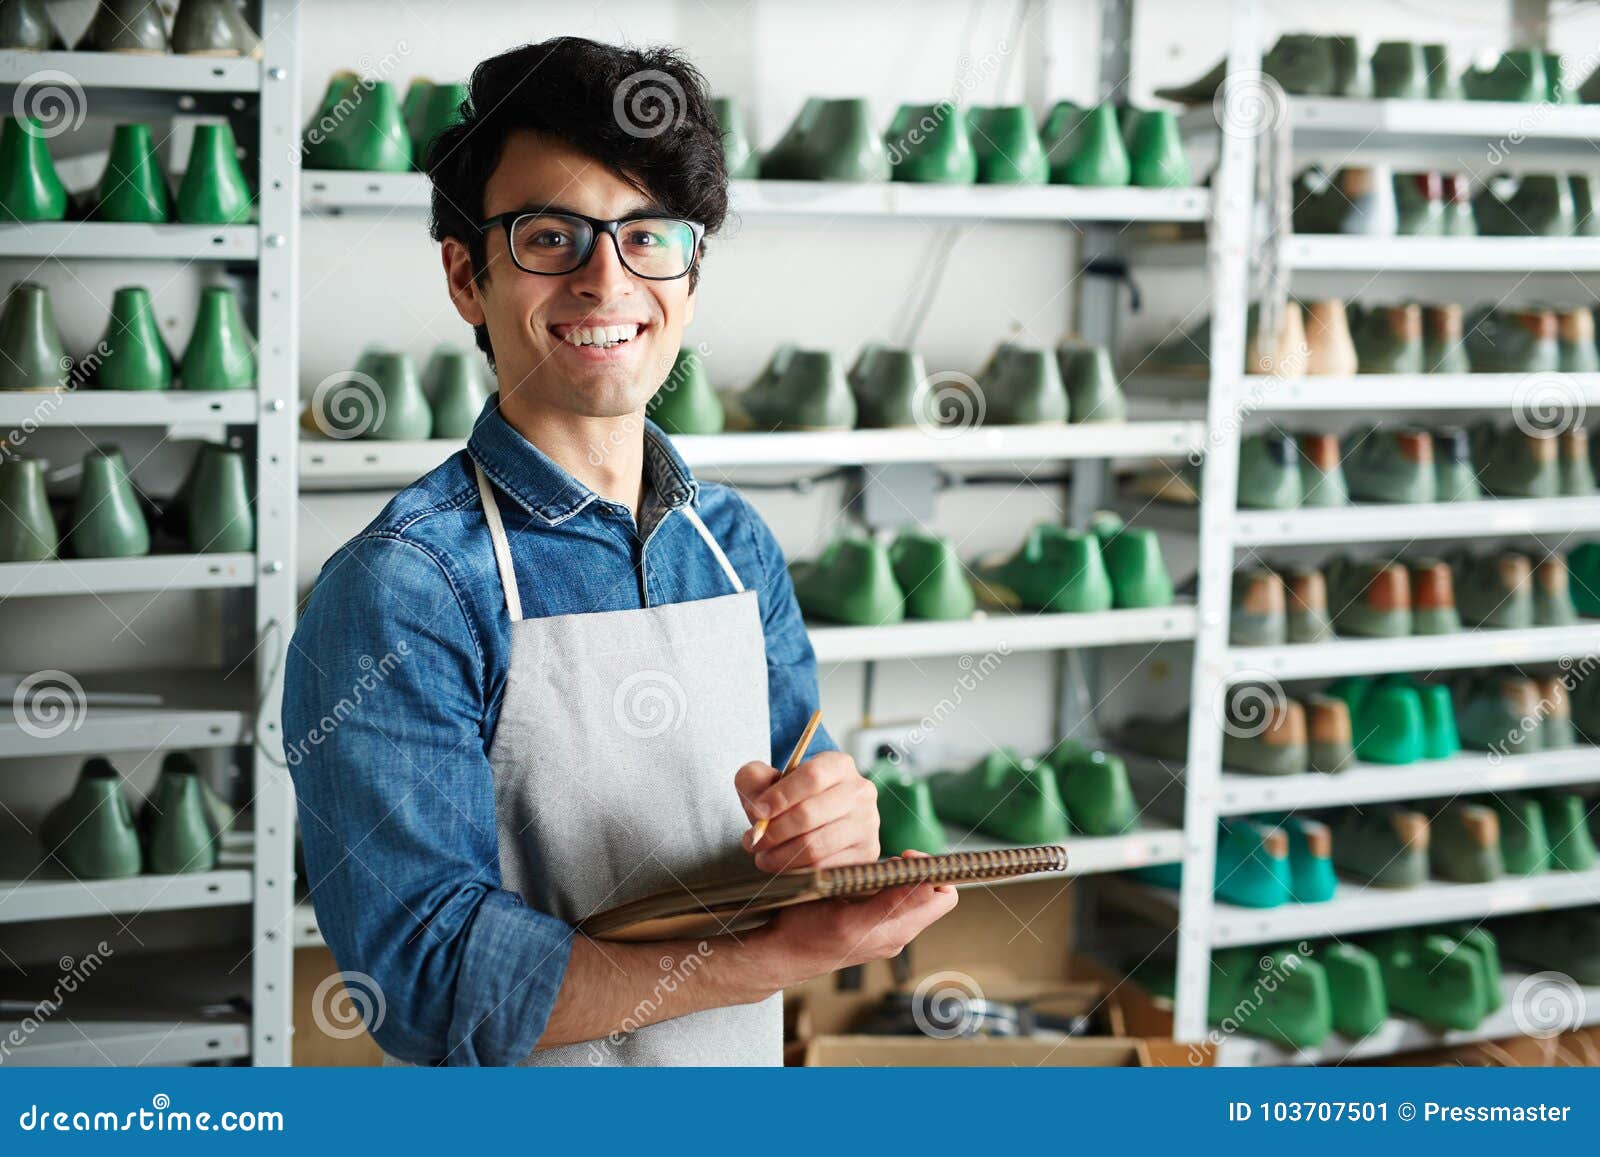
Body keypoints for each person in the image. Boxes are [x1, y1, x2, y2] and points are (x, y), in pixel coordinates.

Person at [282, 36, 957, 1067]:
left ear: (689, 273)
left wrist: (836, 830)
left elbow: (796, 807)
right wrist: (782, 956)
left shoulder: (731, 546)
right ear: (467, 275)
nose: (606, 281)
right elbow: (426, 981)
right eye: (551, 235)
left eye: (648, 235)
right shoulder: (404, 589)